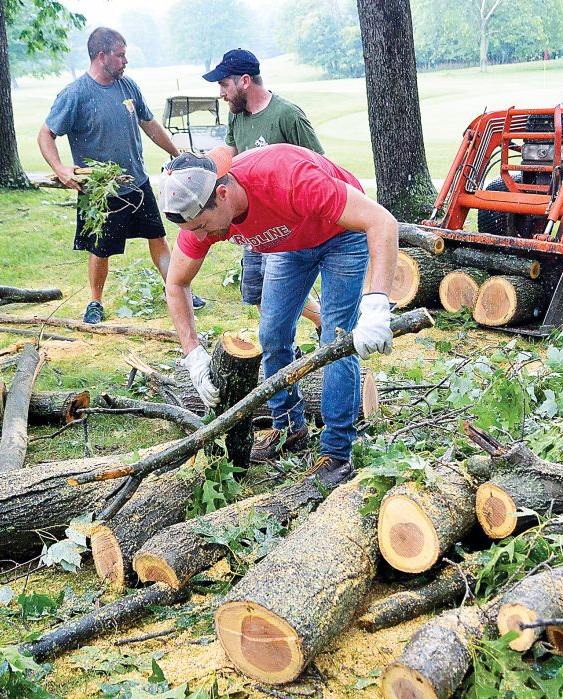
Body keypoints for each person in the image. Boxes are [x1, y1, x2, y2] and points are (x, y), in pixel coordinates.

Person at [158, 145, 398, 486]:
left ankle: (336, 453)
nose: (199, 236)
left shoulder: (286, 176)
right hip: (289, 244)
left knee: (338, 340)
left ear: (222, 194)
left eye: (202, 225)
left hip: (342, 235)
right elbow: (177, 282)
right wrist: (193, 355)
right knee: (272, 335)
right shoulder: (201, 210)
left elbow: (381, 221)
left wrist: (376, 305)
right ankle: (289, 428)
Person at [37, 27, 204, 324]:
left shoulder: (128, 87)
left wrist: (177, 154)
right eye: (121, 54)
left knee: (158, 237)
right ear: (102, 56)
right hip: (101, 190)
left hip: (136, 183)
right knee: (100, 250)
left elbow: (150, 124)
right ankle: (95, 302)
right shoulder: (75, 94)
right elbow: (46, 134)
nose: (125, 60)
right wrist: (61, 169)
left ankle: (176, 289)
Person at [203, 48, 324, 334]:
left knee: (278, 294)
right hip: (251, 223)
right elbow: (231, 156)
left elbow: (320, 166)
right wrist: (204, 169)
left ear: (244, 81)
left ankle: (320, 325)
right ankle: (291, 342)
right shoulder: (237, 116)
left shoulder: (288, 115)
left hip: (285, 226)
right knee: (257, 292)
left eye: (224, 85)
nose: (221, 93)